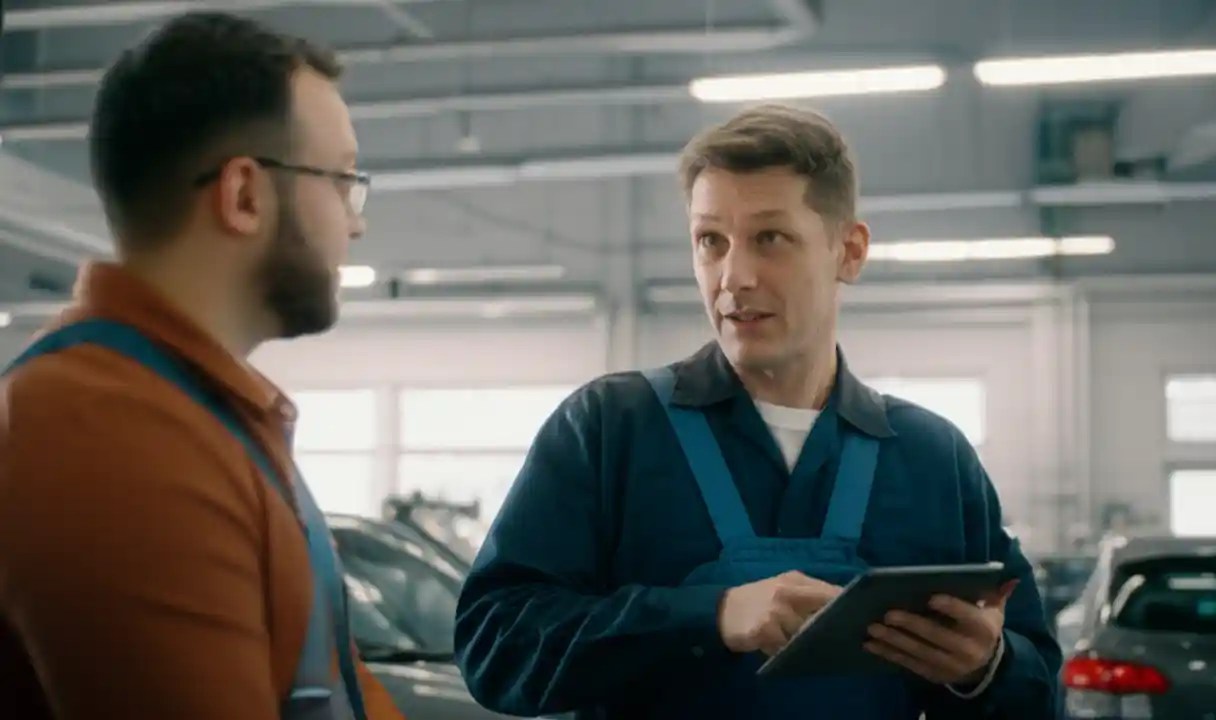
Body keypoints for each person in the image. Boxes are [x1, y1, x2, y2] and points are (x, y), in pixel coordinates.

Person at [453, 104, 1063, 719]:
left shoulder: (933, 460)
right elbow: (494, 645)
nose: (733, 277)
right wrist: (711, 616)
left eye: (770, 238)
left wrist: (987, 670)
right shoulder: (609, 429)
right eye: (710, 241)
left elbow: (1040, 694)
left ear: (849, 252)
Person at [0, 12, 403, 720]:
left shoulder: (201, 414)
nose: (356, 219)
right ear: (244, 195)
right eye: (341, 181)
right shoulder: (109, 434)